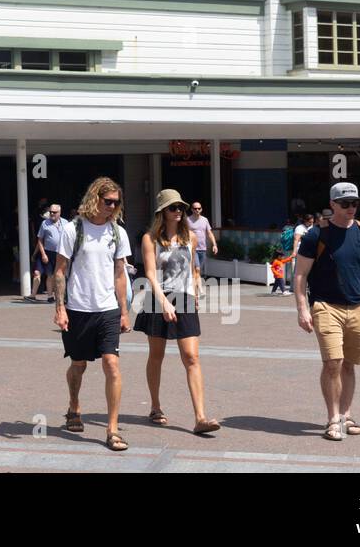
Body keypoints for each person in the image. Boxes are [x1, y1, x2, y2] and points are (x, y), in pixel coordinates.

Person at [294, 182, 360, 442]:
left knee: (348, 364)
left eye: (355, 203)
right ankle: (333, 418)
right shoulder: (316, 235)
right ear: (333, 205)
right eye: (345, 204)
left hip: (359, 306)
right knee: (332, 363)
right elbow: (300, 275)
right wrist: (302, 309)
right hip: (326, 306)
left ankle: (347, 414)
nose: (351, 208)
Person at [51, 177, 133, 452]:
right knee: (79, 365)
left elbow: (120, 273)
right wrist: (60, 309)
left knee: (112, 364)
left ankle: (112, 429)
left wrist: (124, 311)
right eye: (107, 201)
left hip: (108, 308)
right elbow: (60, 271)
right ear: (94, 198)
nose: (111, 206)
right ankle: (74, 406)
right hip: (78, 309)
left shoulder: (117, 233)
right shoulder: (74, 229)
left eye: (116, 202)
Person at [135, 191, 220, 435]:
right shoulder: (150, 239)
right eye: (173, 208)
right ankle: (155, 406)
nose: (178, 211)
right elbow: (150, 273)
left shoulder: (190, 237)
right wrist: (163, 302)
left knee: (192, 357)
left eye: (180, 207)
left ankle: (200, 417)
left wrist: (195, 290)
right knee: (156, 355)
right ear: (162, 212)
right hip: (158, 298)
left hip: (184, 299)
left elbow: (193, 268)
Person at [32, 203, 71, 303]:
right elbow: (40, 239)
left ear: (59, 212)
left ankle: (63, 296)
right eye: (50, 212)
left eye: (54, 212)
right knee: (50, 275)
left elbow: (69, 238)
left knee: (62, 274)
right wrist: (43, 254)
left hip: (62, 252)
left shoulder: (66, 223)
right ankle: (50, 296)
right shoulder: (45, 223)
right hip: (49, 252)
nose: (52, 214)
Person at [187, 200, 219, 275]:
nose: (197, 210)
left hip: (203, 249)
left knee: (198, 270)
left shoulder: (205, 220)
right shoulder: (187, 220)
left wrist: (214, 245)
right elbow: (183, 233)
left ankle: (195, 284)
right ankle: (196, 285)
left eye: (199, 208)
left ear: (201, 209)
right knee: (197, 268)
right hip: (193, 248)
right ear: (192, 209)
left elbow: (209, 233)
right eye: (195, 208)